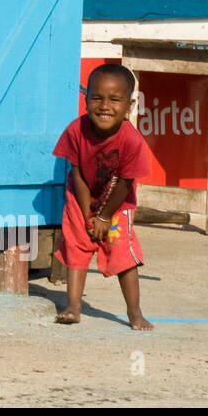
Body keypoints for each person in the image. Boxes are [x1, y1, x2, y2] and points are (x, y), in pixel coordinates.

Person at [52, 62, 153, 330]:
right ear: (86, 101)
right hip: (81, 197)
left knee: (122, 253)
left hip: (117, 205)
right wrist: (87, 214)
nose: (105, 106)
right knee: (77, 246)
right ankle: (73, 305)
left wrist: (105, 217)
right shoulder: (76, 130)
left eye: (115, 100)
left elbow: (125, 182)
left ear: (129, 107)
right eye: (97, 98)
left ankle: (134, 312)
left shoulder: (132, 141)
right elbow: (77, 173)